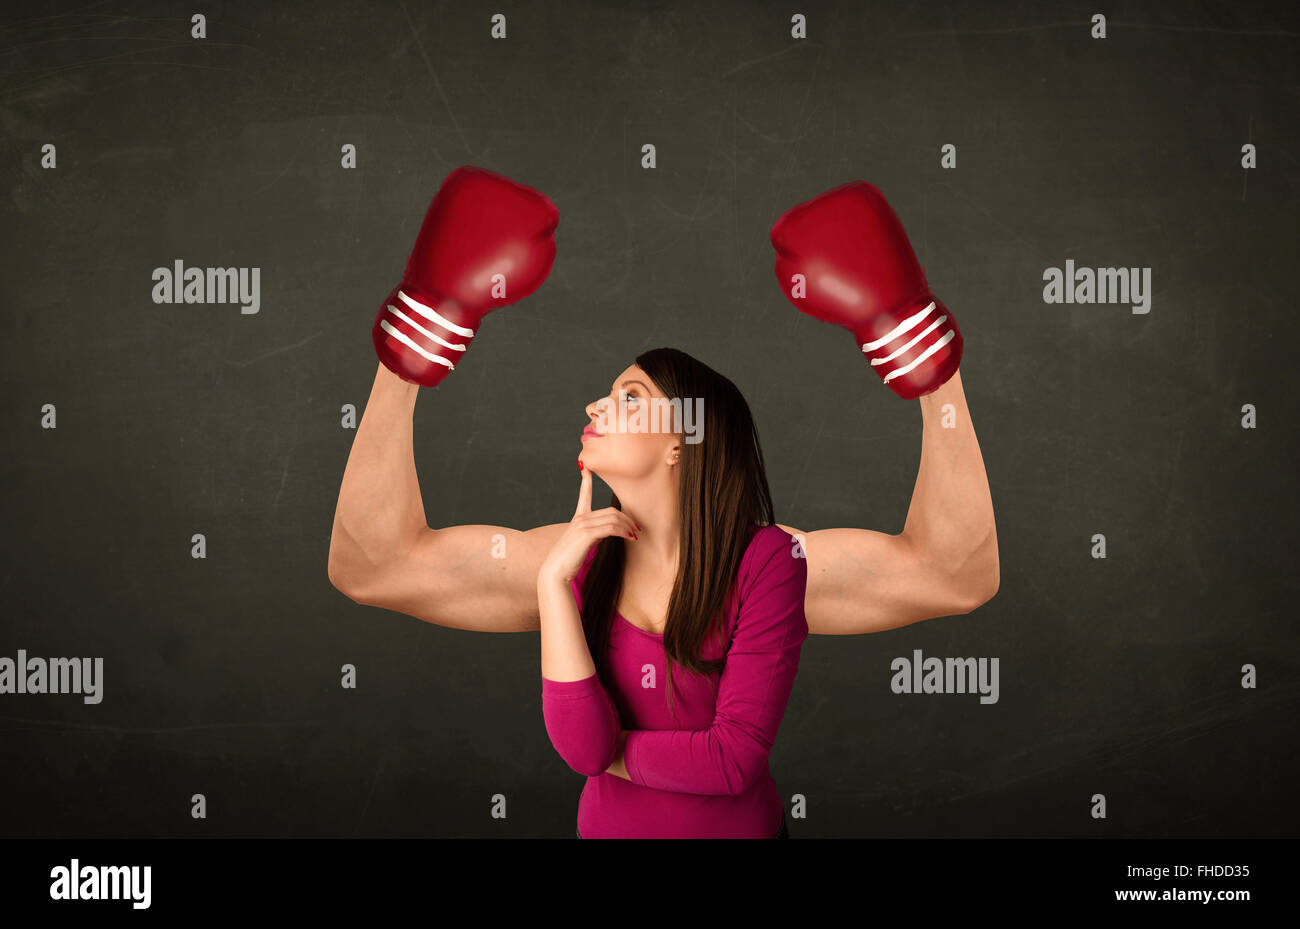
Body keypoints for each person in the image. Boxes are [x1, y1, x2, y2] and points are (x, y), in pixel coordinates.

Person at [328, 166, 1000, 839]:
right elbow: (372, 565)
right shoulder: (570, 562)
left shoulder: (767, 565)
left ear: (681, 441)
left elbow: (954, 573)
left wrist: (922, 352)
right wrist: (412, 344)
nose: (595, 406)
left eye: (630, 396)